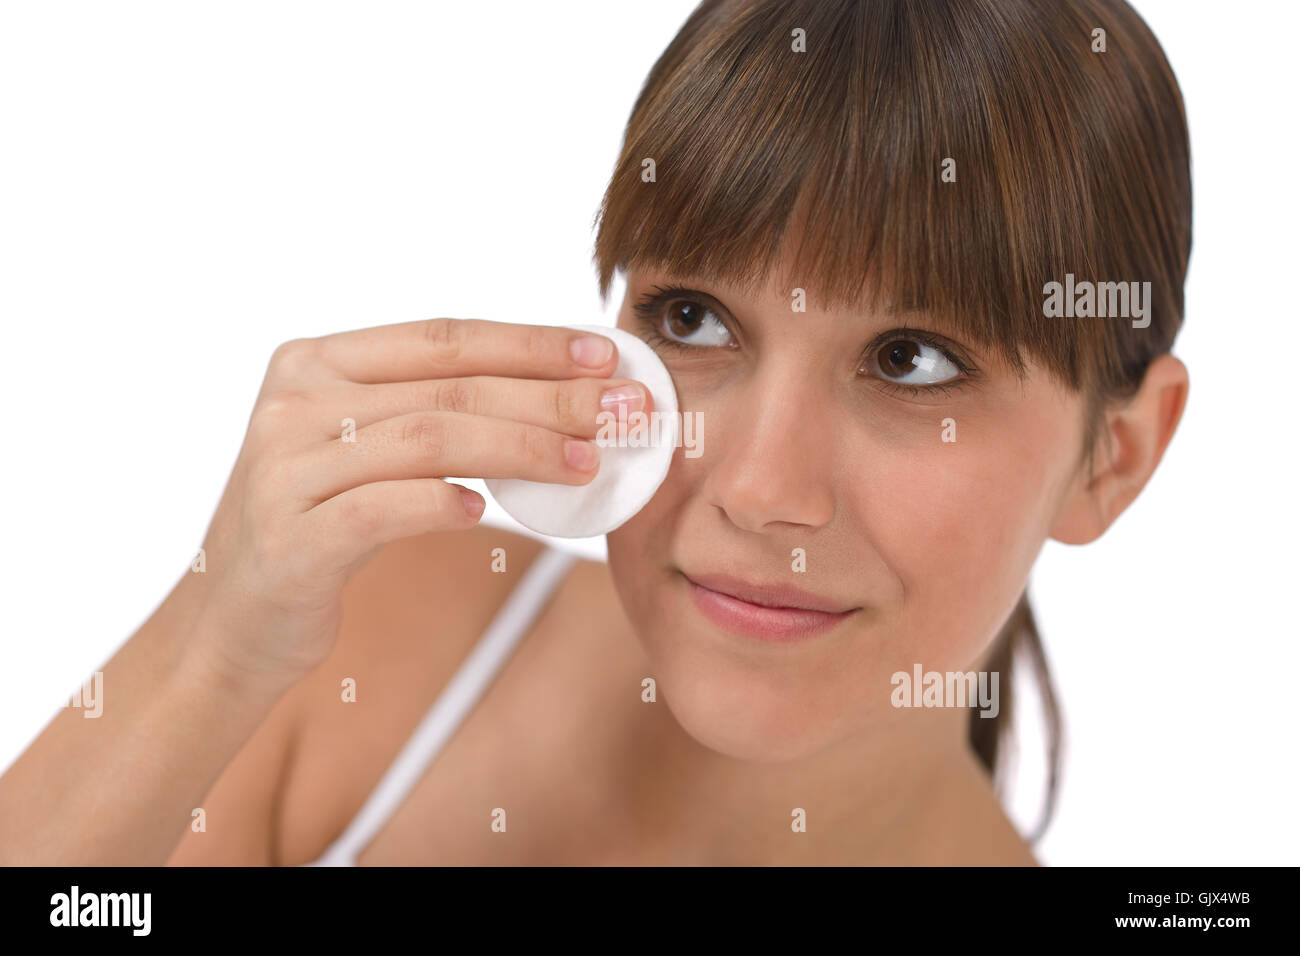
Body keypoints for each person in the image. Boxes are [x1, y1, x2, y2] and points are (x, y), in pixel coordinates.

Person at [0, 0, 1191, 865]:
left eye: (910, 360)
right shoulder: (369, 644)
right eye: (693, 317)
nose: (761, 488)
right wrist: (215, 650)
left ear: (1115, 455)